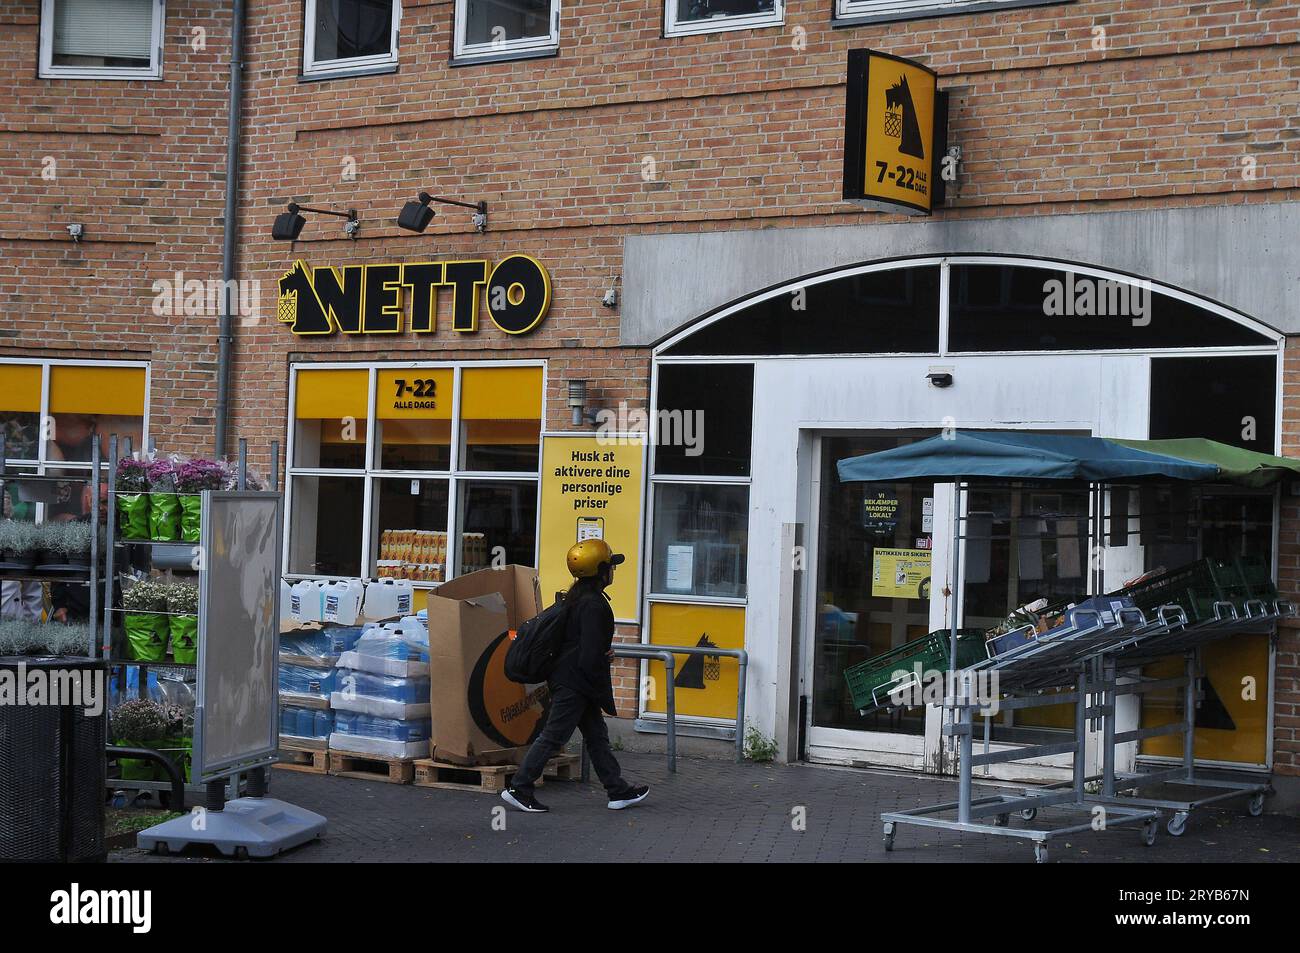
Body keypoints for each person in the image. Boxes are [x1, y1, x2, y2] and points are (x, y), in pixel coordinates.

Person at [501, 539, 649, 814]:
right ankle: (519, 787)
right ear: (601, 570)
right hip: (575, 684)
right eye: (610, 566)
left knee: (596, 737)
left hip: (573, 680)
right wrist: (603, 665)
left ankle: (617, 790)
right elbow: (589, 655)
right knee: (554, 737)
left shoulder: (576, 598)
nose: (613, 571)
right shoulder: (594, 605)